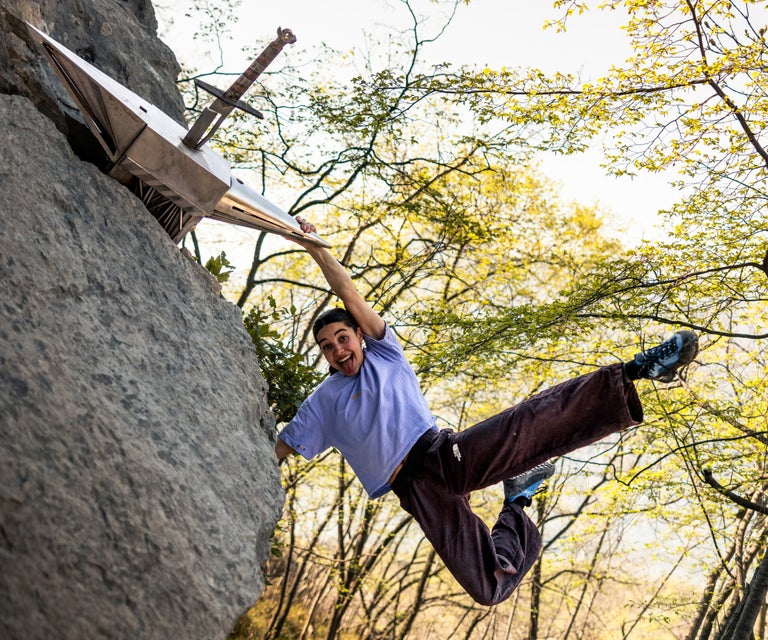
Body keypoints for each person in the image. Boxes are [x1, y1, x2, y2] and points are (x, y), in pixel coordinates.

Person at [275, 217, 699, 606]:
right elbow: (278, 450)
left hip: (441, 454)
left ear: (359, 336)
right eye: (327, 347)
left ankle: (635, 370)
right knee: (488, 587)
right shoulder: (322, 403)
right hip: (418, 494)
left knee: (528, 425)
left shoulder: (385, 353)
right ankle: (517, 501)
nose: (337, 350)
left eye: (342, 337)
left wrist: (315, 248)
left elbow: (348, 293)